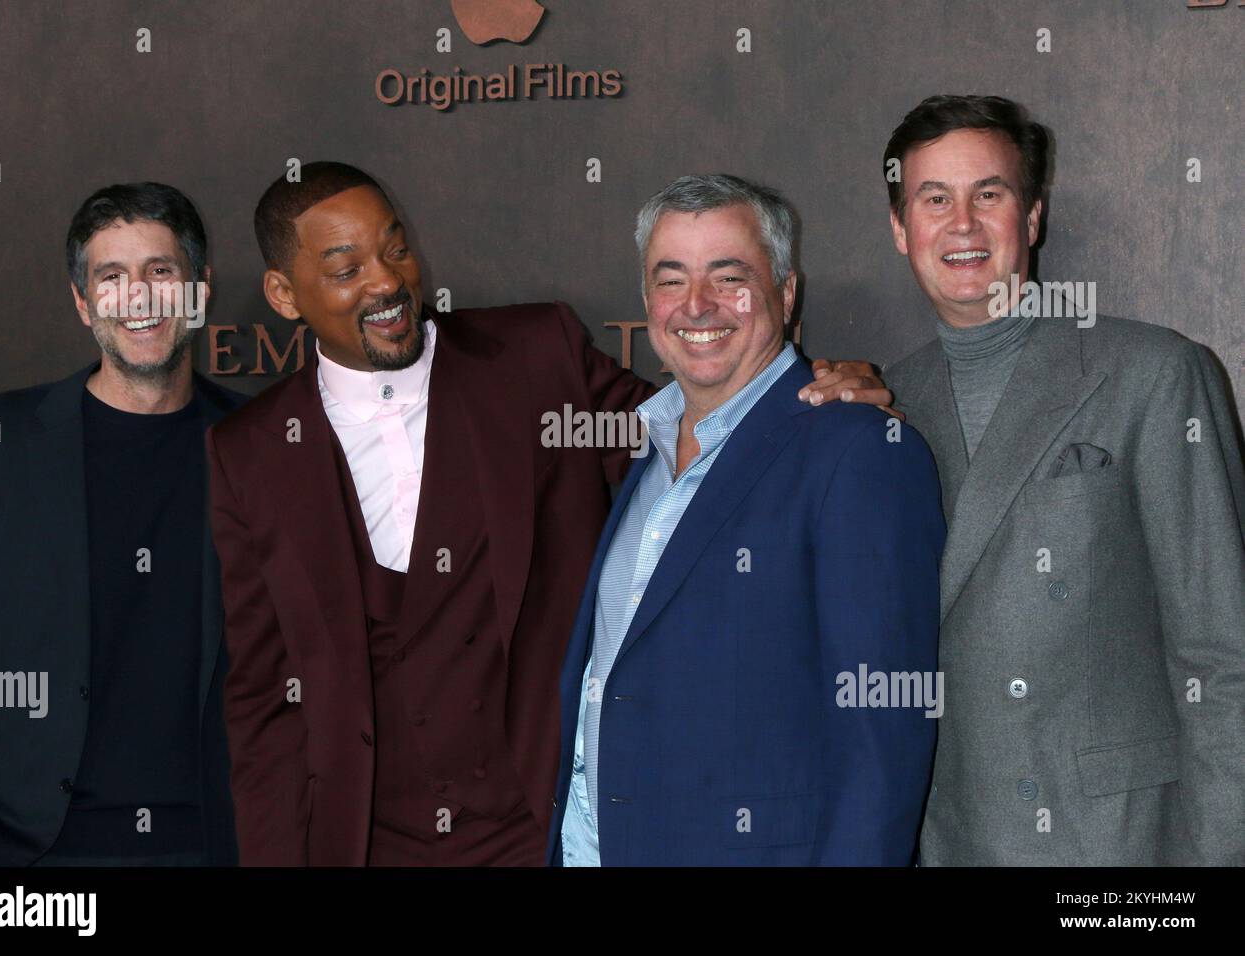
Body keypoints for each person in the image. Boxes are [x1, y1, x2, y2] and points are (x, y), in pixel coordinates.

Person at [206, 162, 861, 865]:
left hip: (543, 830)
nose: (387, 282)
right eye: (346, 268)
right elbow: (265, 703)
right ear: (283, 293)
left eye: (395, 248)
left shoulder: (533, 360)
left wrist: (813, 400)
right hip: (366, 845)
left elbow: (694, 441)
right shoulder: (251, 453)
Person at [878, 94, 1245, 865]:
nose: (964, 224)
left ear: (1033, 217)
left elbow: (1223, 658)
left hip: (1115, 853)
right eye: (934, 199)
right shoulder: (882, 409)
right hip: (947, 843)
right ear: (900, 229)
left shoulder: (1154, 373)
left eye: (991, 194)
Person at [546, 174, 946, 866]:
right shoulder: (646, 448)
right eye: (671, 281)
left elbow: (881, 744)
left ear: (787, 293)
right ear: (647, 302)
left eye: (728, 276)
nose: (696, 305)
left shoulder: (857, 450)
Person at [0, 182, 242, 866]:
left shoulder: (261, 446)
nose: (138, 297)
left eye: (160, 272)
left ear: (199, 290)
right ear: (84, 303)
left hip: (213, 844)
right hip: (33, 854)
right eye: (112, 277)